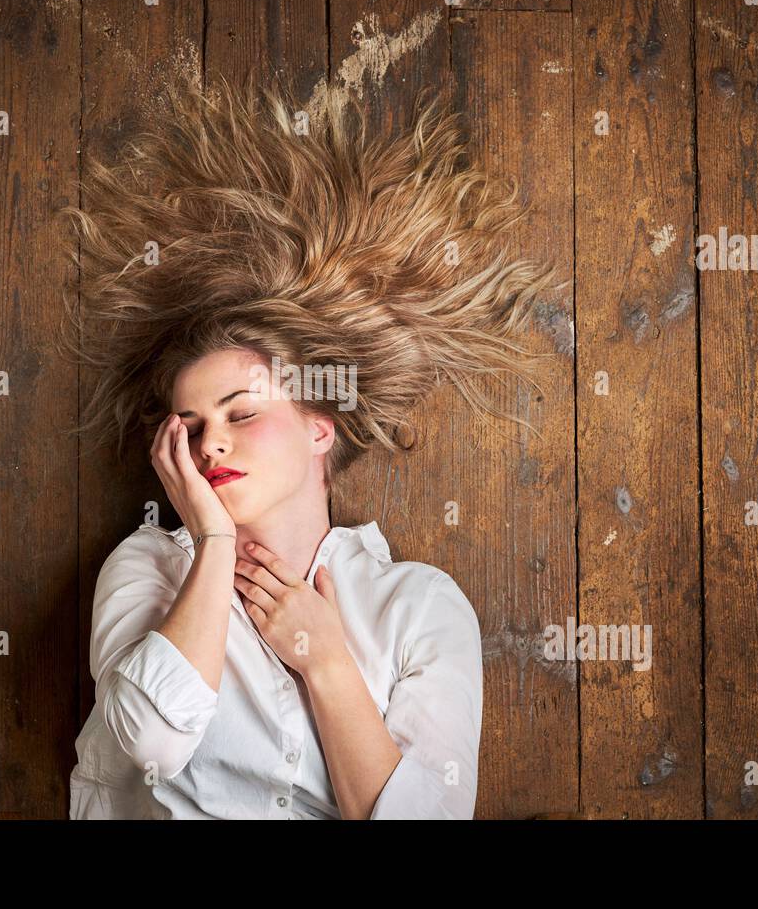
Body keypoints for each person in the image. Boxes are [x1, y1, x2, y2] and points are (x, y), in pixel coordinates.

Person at [57, 74, 565, 819]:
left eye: (241, 412)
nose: (211, 443)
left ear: (320, 427)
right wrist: (214, 543)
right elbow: (149, 746)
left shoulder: (420, 607)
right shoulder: (147, 568)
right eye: (191, 426)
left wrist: (324, 658)